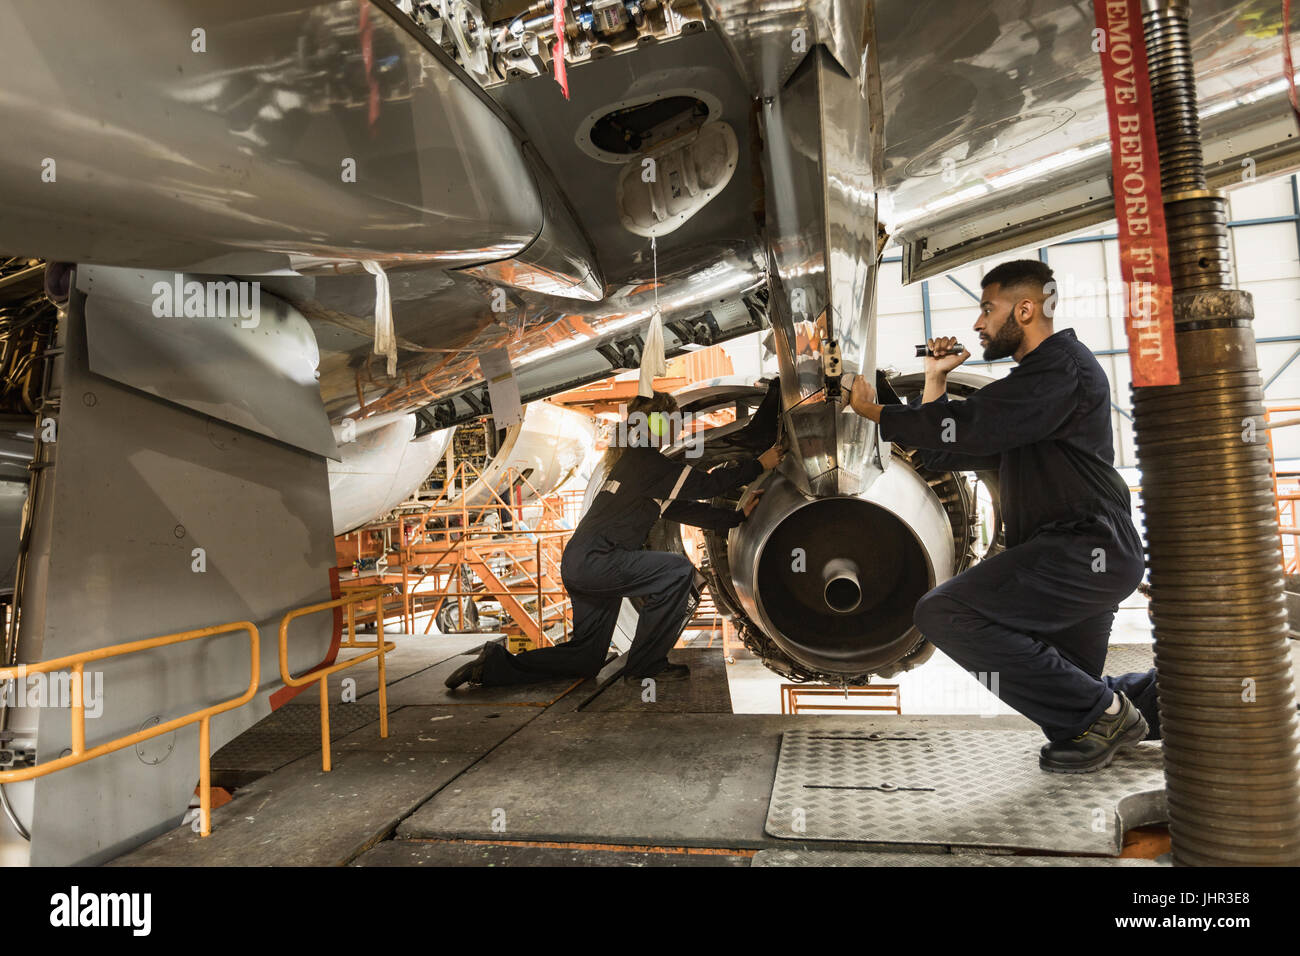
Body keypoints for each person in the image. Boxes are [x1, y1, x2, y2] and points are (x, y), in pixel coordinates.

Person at [848, 258, 1159, 773]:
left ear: (1026, 307)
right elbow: (950, 450)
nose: (978, 323)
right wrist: (934, 380)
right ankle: (1167, 704)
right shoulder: (1033, 391)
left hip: (1084, 549)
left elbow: (968, 425)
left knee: (944, 612)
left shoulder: (1062, 369)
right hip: (1079, 554)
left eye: (987, 309)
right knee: (1068, 697)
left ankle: (1108, 713)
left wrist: (877, 412)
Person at [446, 389, 784, 689]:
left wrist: (737, 518)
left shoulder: (632, 466)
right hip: (598, 562)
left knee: (585, 659)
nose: (678, 428)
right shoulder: (648, 464)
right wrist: (759, 464)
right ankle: (646, 665)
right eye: (673, 421)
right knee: (679, 573)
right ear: (655, 425)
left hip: (582, 564)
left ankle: (494, 666)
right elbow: (708, 486)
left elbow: (686, 511)